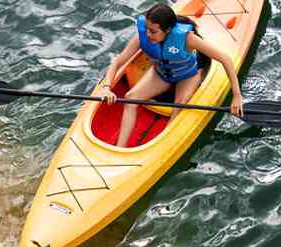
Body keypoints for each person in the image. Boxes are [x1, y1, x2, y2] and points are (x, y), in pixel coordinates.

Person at [92, 3, 245, 147]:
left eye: (153, 31)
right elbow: (118, 62)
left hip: (186, 75)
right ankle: (120, 146)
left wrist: (237, 96)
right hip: (162, 73)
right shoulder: (144, 35)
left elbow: (225, 59)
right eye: (147, 29)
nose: (148, 34)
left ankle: (161, 145)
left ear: (168, 30)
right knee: (130, 98)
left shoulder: (187, 38)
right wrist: (106, 87)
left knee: (178, 106)